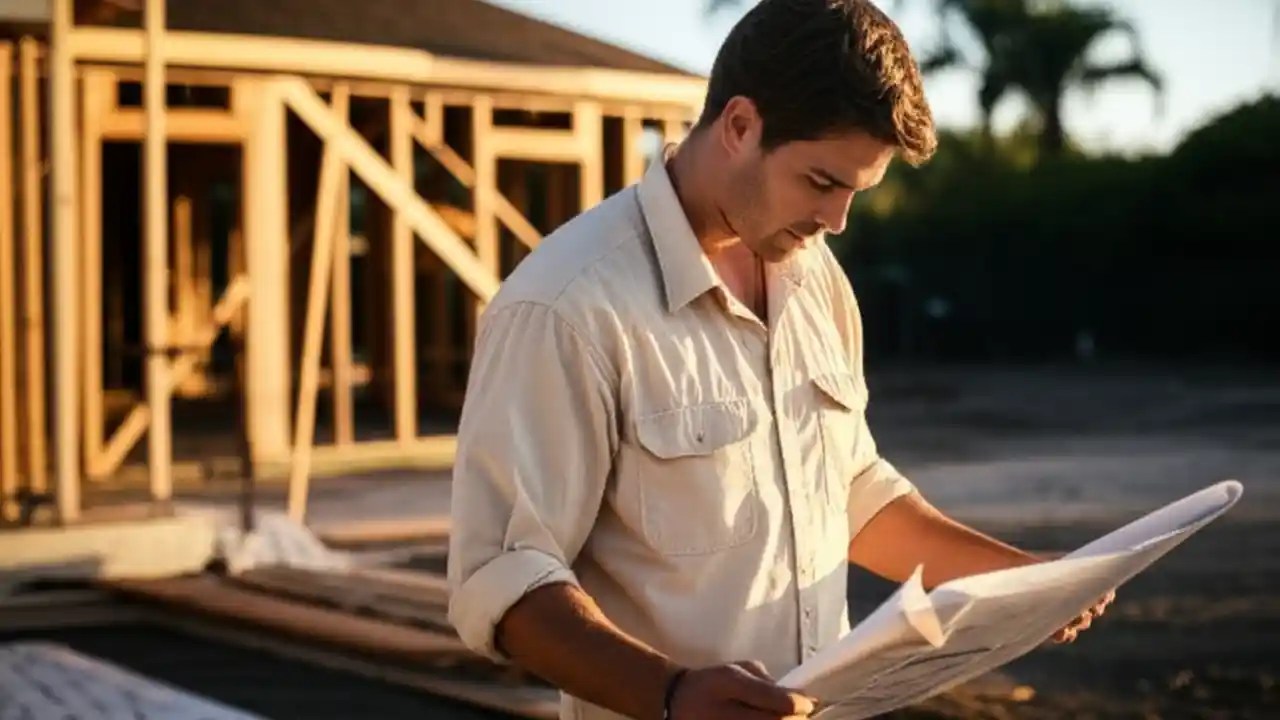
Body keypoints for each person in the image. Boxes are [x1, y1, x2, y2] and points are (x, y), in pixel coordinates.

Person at [446, 1, 1113, 719]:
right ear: (739, 126)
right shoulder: (565, 306)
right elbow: (501, 576)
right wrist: (671, 693)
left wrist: (1019, 583)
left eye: (856, 192)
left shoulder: (817, 279)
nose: (837, 221)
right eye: (822, 183)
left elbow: (850, 493)